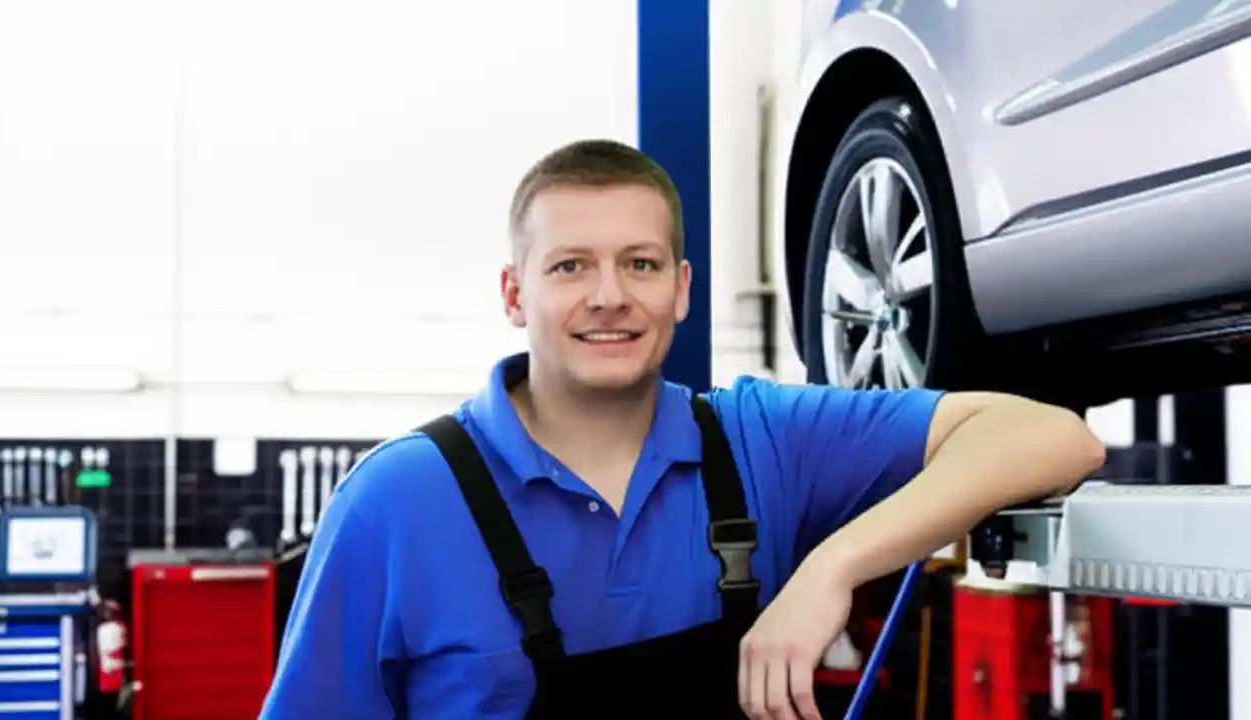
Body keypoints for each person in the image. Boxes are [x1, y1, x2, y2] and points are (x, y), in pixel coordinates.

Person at [259, 139, 1106, 719]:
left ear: (682, 288)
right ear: (515, 295)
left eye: (639, 263)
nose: (608, 296)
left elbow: (1053, 438)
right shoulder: (397, 501)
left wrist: (832, 567)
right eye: (569, 267)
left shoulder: (759, 441)